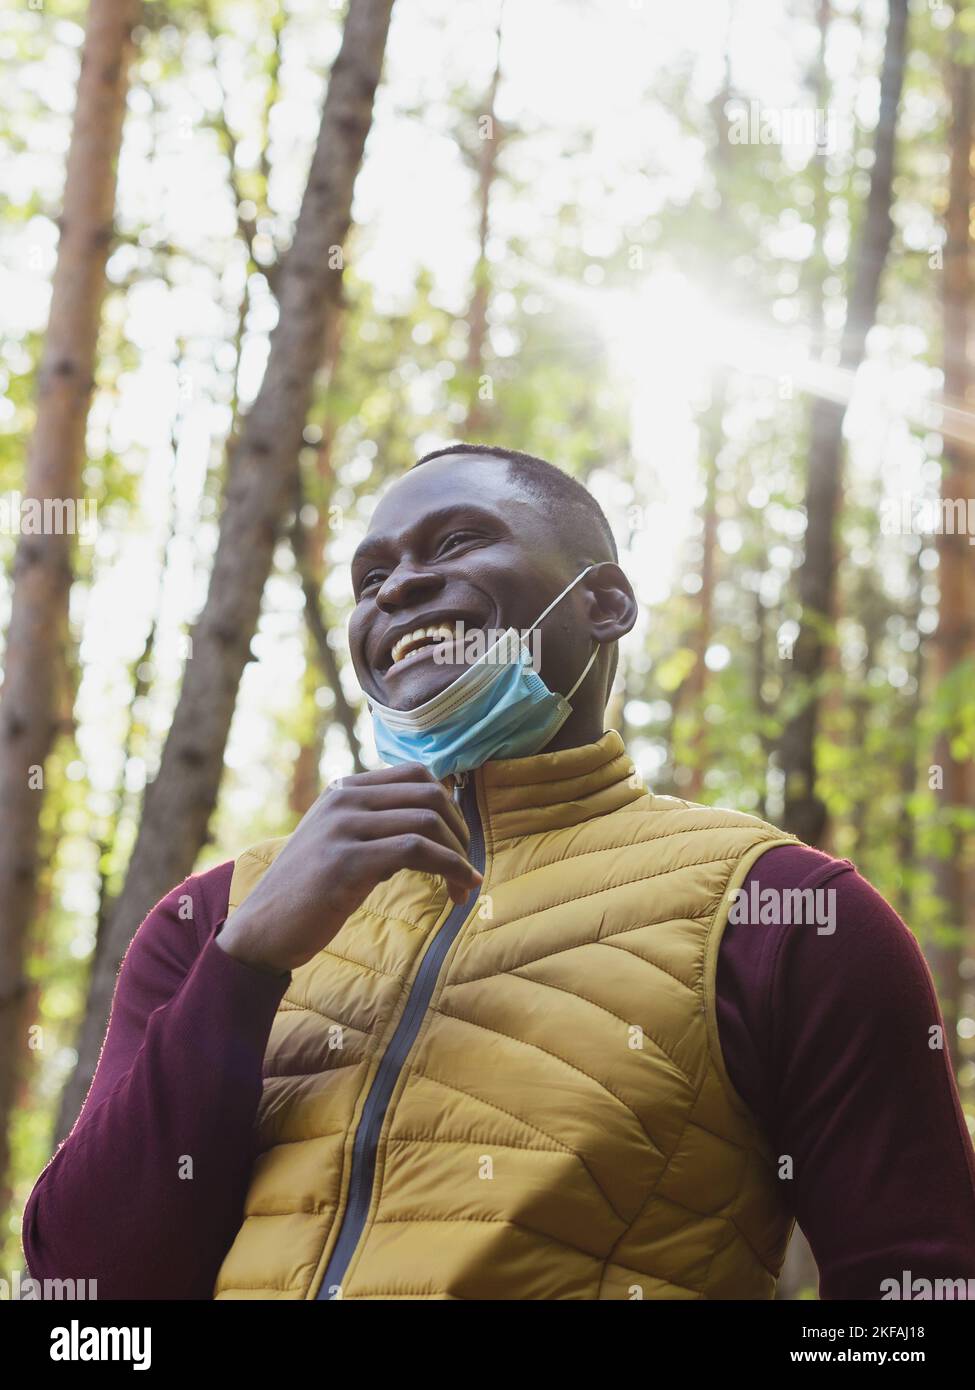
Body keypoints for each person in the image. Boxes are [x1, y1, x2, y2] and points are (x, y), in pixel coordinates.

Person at [22, 444, 975, 1300]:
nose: (396, 589)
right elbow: (89, 1288)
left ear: (603, 604)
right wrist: (244, 969)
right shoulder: (213, 919)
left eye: (455, 543)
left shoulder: (784, 915)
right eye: (371, 576)